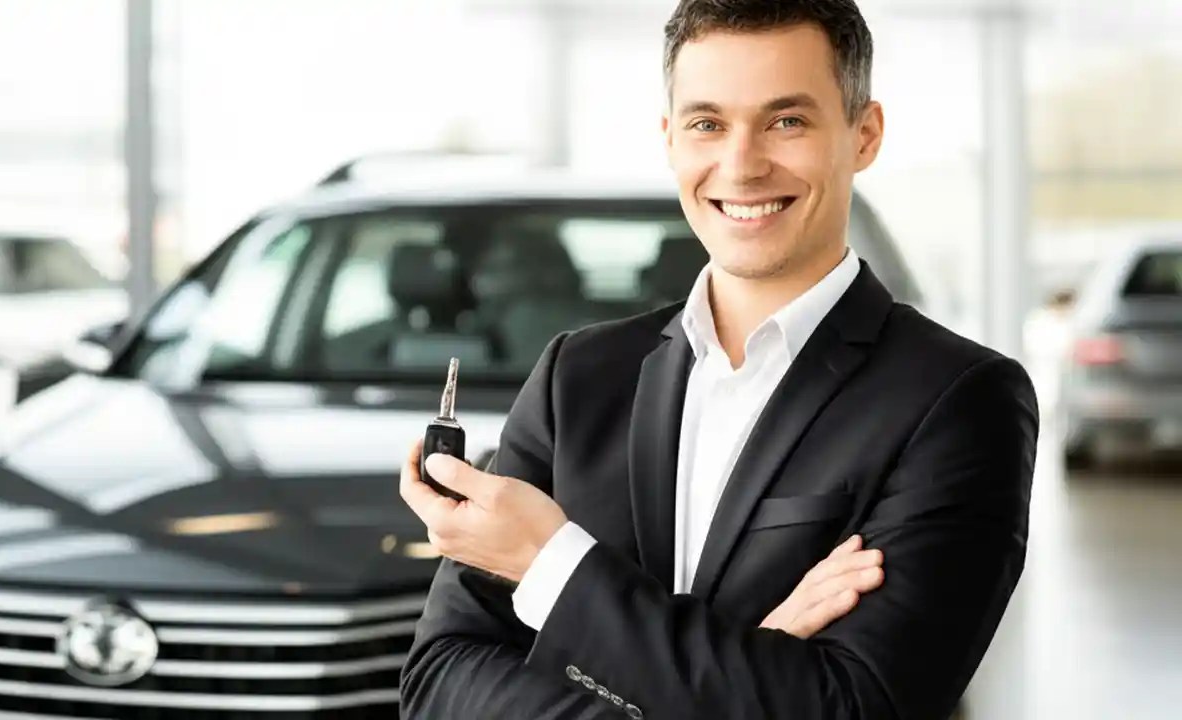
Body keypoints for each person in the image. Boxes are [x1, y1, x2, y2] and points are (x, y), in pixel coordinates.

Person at [397, 0, 1039, 717]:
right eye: (708, 124)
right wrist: (742, 669)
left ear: (864, 134)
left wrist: (552, 566)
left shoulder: (958, 400)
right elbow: (440, 683)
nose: (742, 164)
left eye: (786, 121)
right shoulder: (575, 380)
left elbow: (855, 707)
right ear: (671, 138)